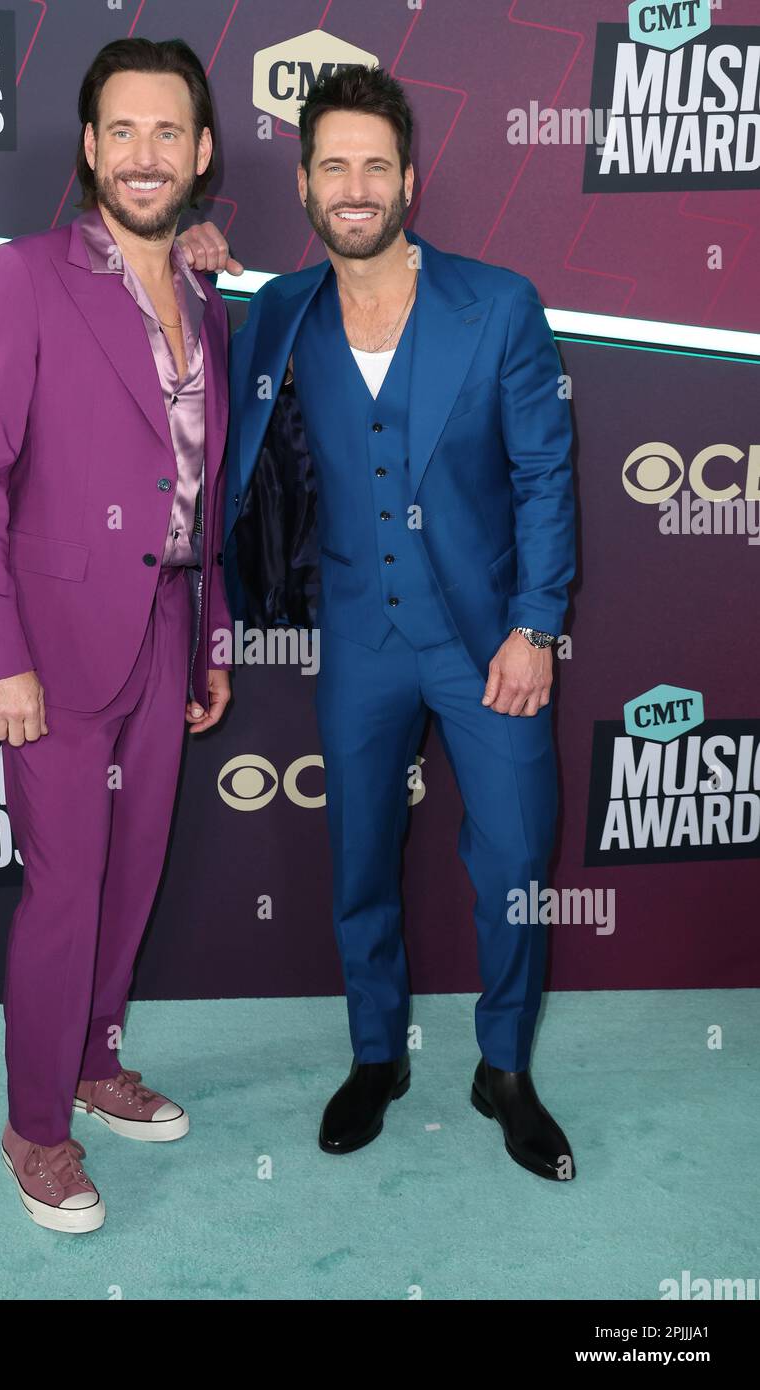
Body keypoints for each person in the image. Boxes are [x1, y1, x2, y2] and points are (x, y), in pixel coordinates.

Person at [179, 65, 577, 1179]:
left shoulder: (496, 303)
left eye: (375, 165)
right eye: (333, 166)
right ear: (304, 184)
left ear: (408, 179)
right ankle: (376, 1054)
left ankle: (504, 1066)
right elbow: (180, 361)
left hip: (489, 635)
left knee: (513, 857)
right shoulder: (278, 312)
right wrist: (181, 254)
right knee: (358, 856)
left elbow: (546, 473)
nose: (355, 186)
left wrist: (537, 625)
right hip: (357, 636)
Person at [0, 37, 232, 1233]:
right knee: (65, 886)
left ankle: (99, 1061)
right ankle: (35, 1124)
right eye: (121, 132)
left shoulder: (206, 293)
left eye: (167, 133)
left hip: (168, 615)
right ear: (89, 148)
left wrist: (212, 630)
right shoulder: (22, 274)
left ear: (203, 152)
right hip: (50, 637)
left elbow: (210, 479)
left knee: (136, 866)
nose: (144, 155)